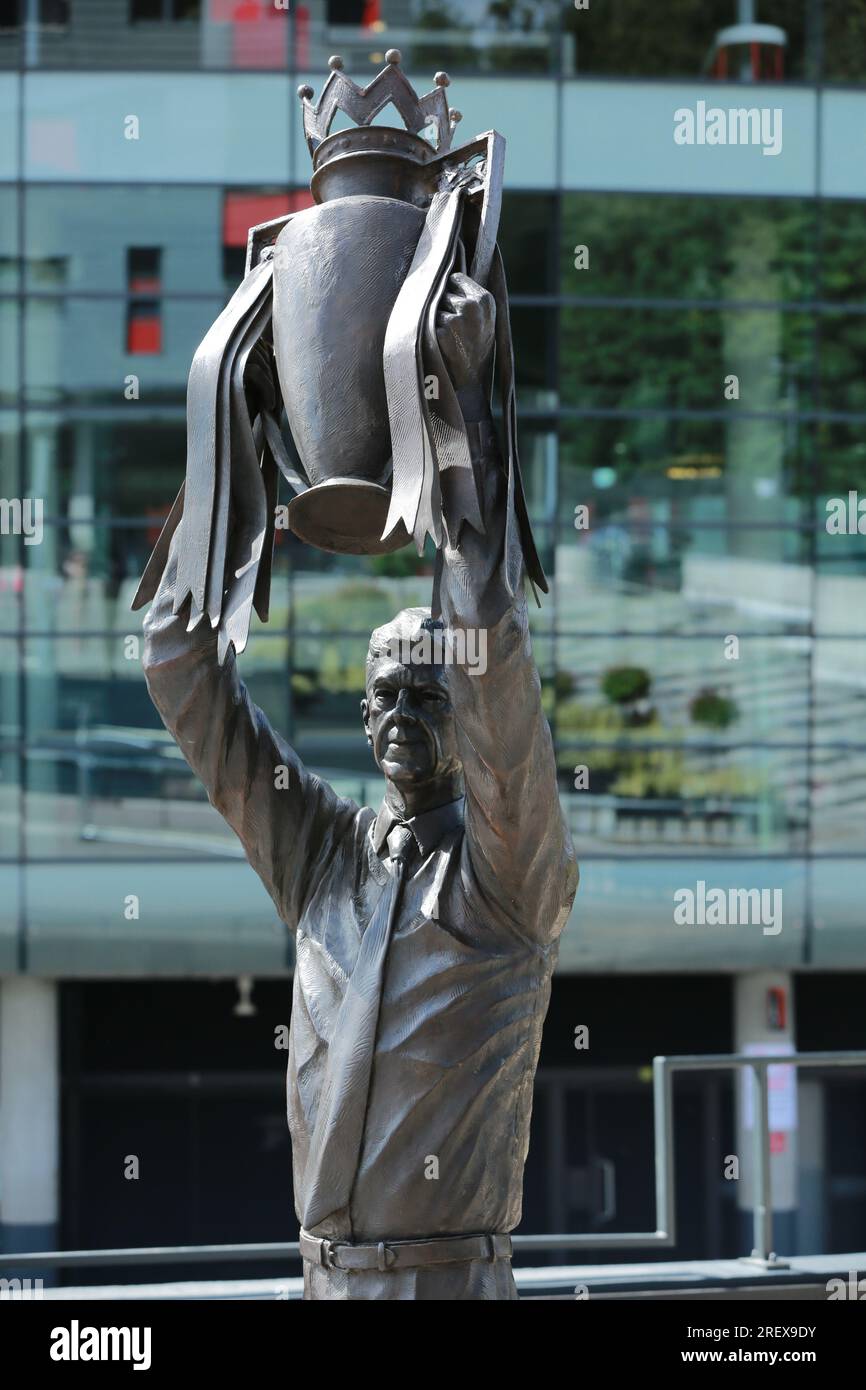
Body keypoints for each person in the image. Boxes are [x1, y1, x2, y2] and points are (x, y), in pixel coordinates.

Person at [141, 271, 578, 1300]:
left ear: (462, 716)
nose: (398, 715)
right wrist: (229, 431)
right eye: (381, 694)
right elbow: (175, 663)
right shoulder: (322, 864)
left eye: (427, 694)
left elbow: (495, 669)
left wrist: (459, 421)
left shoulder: (507, 882)